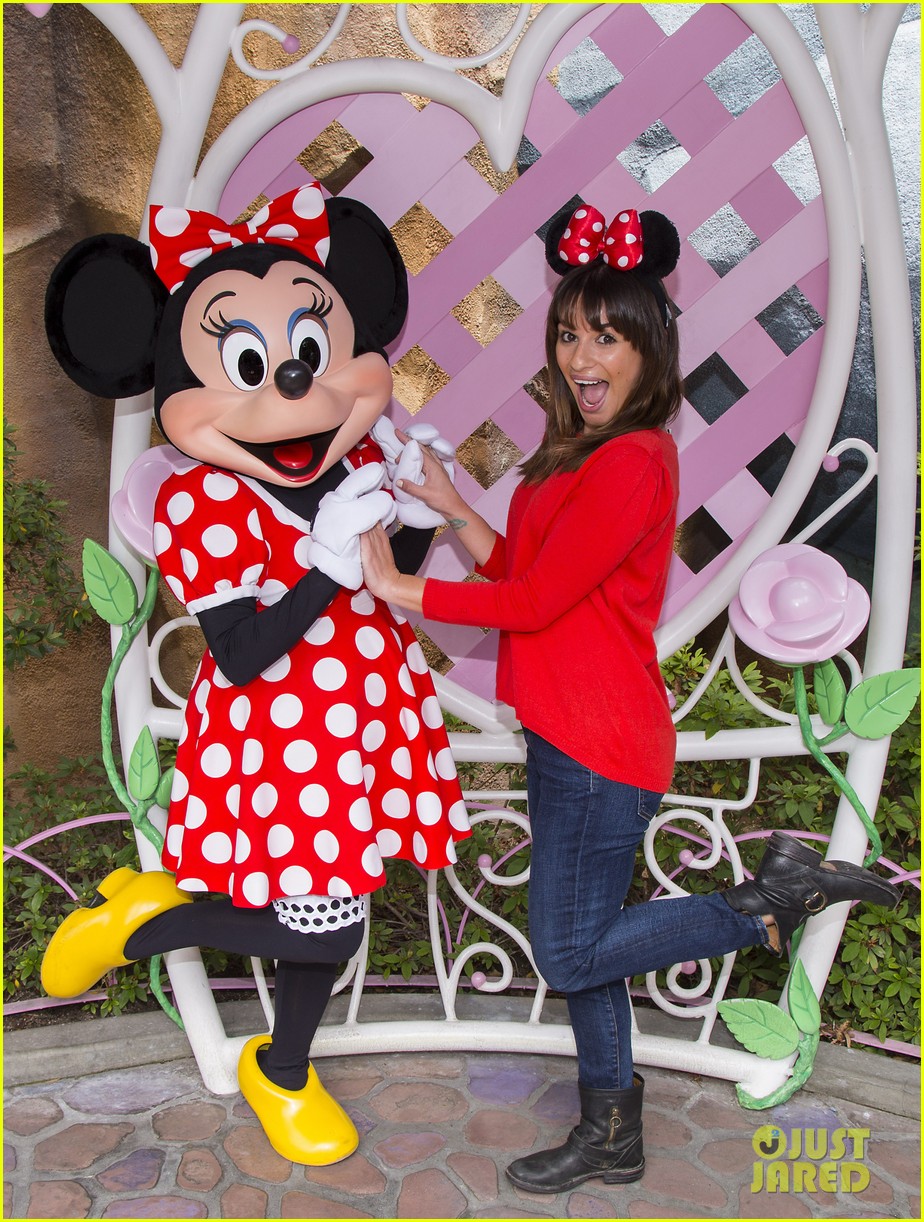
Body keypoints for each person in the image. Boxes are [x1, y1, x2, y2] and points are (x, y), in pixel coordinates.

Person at [359, 203, 899, 1192]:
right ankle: (611, 1130)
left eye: (606, 336)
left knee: (567, 950)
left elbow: (530, 602)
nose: (580, 355)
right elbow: (528, 573)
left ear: (650, 349)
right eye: (569, 332)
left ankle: (762, 906)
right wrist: (453, 509)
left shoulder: (637, 459)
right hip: (566, 735)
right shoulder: (578, 454)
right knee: (592, 945)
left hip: (601, 745)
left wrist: (401, 587)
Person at [39, 185, 470, 1166]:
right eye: (249, 363)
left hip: (359, 725)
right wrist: (322, 566)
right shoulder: (207, 501)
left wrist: (415, 516)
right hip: (281, 741)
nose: (295, 384)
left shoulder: (347, 470)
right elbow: (238, 652)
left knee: (328, 913)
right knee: (327, 928)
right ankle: (146, 925)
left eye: (311, 350)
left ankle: (279, 1063)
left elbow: (385, 584)